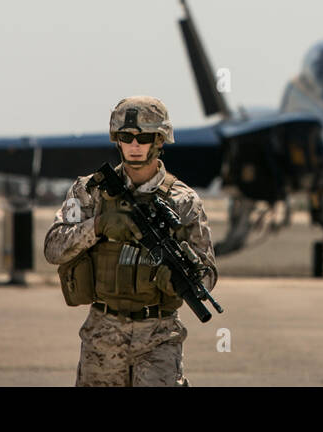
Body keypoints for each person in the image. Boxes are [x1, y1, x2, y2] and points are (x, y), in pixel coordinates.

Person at [44, 95, 217, 386]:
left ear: (160, 141)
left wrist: (178, 278)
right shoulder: (90, 191)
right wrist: (97, 226)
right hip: (102, 335)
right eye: (126, 137)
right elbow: (53, 247)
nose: (134, 146)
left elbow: (208, 275)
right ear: (117, 140)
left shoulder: (185, 201)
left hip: (159, 338)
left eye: (144, 137)